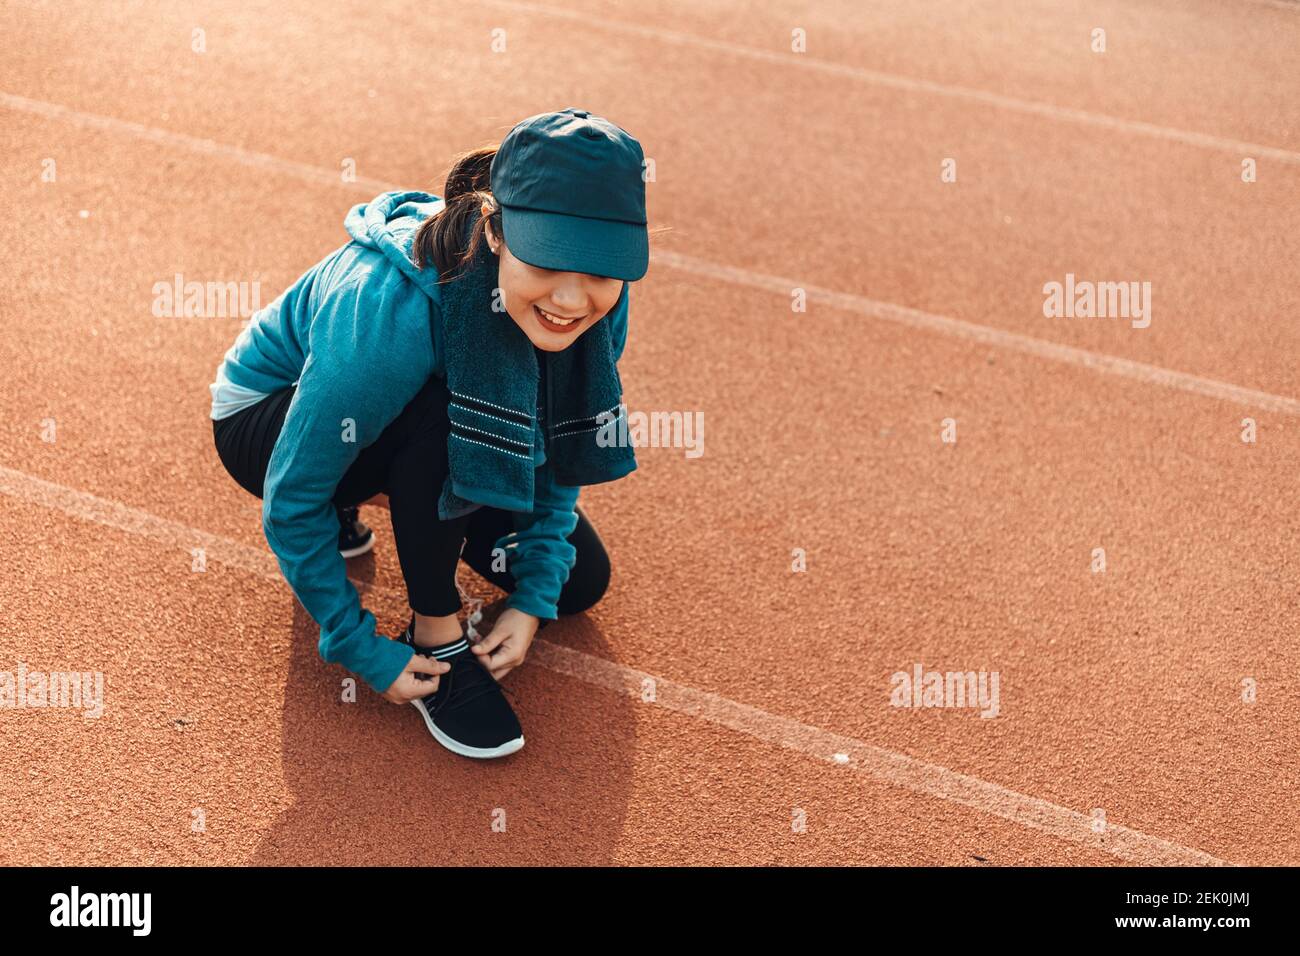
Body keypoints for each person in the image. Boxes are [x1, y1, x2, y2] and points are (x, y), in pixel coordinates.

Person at [209, 108, 650, 759]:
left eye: (600, 272)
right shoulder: (389, 309)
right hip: (266, 419)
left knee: (578, 580)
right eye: (550, 261)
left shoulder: (592, 307)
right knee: (443, 416)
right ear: (498, 233)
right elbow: (291, 496)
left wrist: (532, 596)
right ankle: (436, 635)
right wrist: (359, 647)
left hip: (402, 413)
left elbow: (559, 450)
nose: (572, 299)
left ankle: (395, 488)